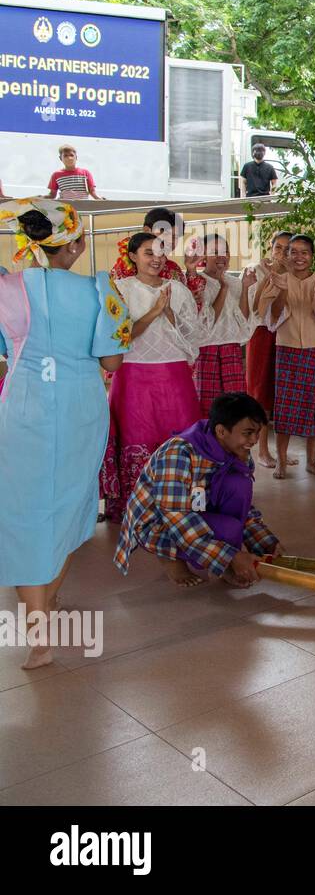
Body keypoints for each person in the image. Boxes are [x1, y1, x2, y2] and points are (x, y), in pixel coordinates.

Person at [0, 198, 131, 668]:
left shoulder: (8, 289)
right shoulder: (100, 290)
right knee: (68, 505)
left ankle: (38, 633)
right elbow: (112, 362)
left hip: (23, 408)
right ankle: (48, 603)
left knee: (21, 511)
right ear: (75, 244)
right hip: (81, 407)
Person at [114, 392, 280, 588]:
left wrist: (266, 542)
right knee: (228, 529)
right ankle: (171, 558)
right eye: (248, 432)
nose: (254, 440)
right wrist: (230, 556)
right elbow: (176, 517)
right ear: (221, 431)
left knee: (240, 485)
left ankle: (222, 561)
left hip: (195, 512)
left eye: (258, 432)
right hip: (160, 522)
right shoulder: (178, 453)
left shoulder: (238, 450)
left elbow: (245, 510)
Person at [101, 232, 207, 524]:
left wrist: (168, 313)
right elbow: (118, 339)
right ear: (132, 257)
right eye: (148, 252)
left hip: (174, 375)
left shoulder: (178, 289)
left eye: (160, 252)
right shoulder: (119, 290)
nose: (157, 258)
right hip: (133, 375)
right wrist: (153, 313)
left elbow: (192, 338)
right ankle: (137, 507)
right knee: (137, 437)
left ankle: (186, 505)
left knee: (182, 439)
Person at [254, 234, 315, 479]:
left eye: (305, 252)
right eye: (293, 252)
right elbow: (270, 320)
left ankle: (312, 461)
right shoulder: (277, 281)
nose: (299, 257)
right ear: (286, 255)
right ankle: (281, 462)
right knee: (286, 408)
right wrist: (282, 292)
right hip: (288, 349)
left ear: (313, 256)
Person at [193, 232, 259, 414]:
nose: (221, 256)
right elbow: (207, 322)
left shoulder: (236, 283)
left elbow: (244, 322)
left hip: (231, 350)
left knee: (235, 409)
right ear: (203, 255)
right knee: (208, 409)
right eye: (215, 251)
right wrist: (223, 288)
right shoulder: (197, 282)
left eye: (225, 251)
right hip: (207, 351)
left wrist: (245, 288)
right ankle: (208, 443)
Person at [247, 230, 292, 468]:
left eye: (287, 249)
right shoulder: (257, 271)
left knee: (281, 393)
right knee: (261, 392)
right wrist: (270, 276)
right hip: (263, 334)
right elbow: (255, 308)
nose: (282, 254)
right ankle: (261, 450)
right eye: (278, 248)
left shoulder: (296, 275)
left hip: (287, 335)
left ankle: (280, 451)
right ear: (270, 248)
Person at [109, 206, 205, 308]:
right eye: (165, 233)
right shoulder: (126, 267)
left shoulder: (173, 268)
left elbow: (192, 307)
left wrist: (191, 270)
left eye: (175, 236)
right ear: (147, 230)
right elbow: (117, 309)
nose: (170, 241)